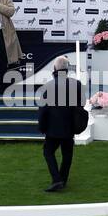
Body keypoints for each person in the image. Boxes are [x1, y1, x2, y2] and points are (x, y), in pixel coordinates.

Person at [36, 56, 87, 192]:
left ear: (54, 69)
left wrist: (41, 126)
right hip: (70, 127)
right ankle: (62, 179)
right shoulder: (76, 84)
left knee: (48, 152)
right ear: (67, 68)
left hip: (53, 128)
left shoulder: (48, 86)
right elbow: (82, 104)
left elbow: (43, 110)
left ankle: (57, 179)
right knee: (67, 154)